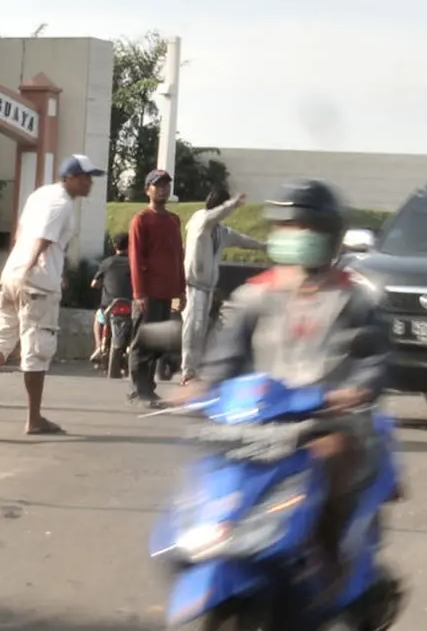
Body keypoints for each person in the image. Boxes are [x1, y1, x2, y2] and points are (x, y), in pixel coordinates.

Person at [199, 179, 391, 596]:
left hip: (332, 419)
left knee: (333, 454)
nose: (295, 235)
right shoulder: (254, 295)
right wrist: (200, 387)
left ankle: (332, 554)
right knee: (210, 472)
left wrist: (357, 389)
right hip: (261, 423)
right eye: (287, 226)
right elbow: (224, 356)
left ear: (330, 235)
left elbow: (374, 358)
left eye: (306, 227)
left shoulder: (356, 298)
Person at [0, 155, 102, 438]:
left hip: (10, 276)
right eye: (85, 176)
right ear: (70, 177)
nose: (89, 182)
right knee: (36, 351)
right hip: (36, 284)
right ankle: (33, 419)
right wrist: (32, 269)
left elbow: (21, 231)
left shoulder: (40, 195)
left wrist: (19, 268)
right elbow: (43, 239)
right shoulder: (63, 204)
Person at [180, 188, 265, 383]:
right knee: (192, 328)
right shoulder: (200, 219)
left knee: (201, 330)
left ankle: (194, 370)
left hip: (207, 287)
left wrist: (263, 246)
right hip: (193, 284)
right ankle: (188, 370)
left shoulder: (220, 230)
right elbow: (215, 214)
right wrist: (232, 204)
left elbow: (242, 240)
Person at [129, 169, 188, 406]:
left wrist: (181, 289)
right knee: (142, 342)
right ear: (148, 190)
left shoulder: (173, 220)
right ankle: (138, 390)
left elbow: (178, 257)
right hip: (148, 293)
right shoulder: (141, 219)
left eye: (166, 185)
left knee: (158, 343)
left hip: (167, 292)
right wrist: (139, 293)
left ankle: (148, 388)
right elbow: (134, 258)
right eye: (158, 185)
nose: (163, 189)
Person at [91, 230, 132, 369]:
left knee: (97, 319)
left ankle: (98, 348)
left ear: (114, 246)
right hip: (131, 306)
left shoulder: (106, 263)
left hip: (108, 307)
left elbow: (94, 284)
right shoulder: (134, 263)